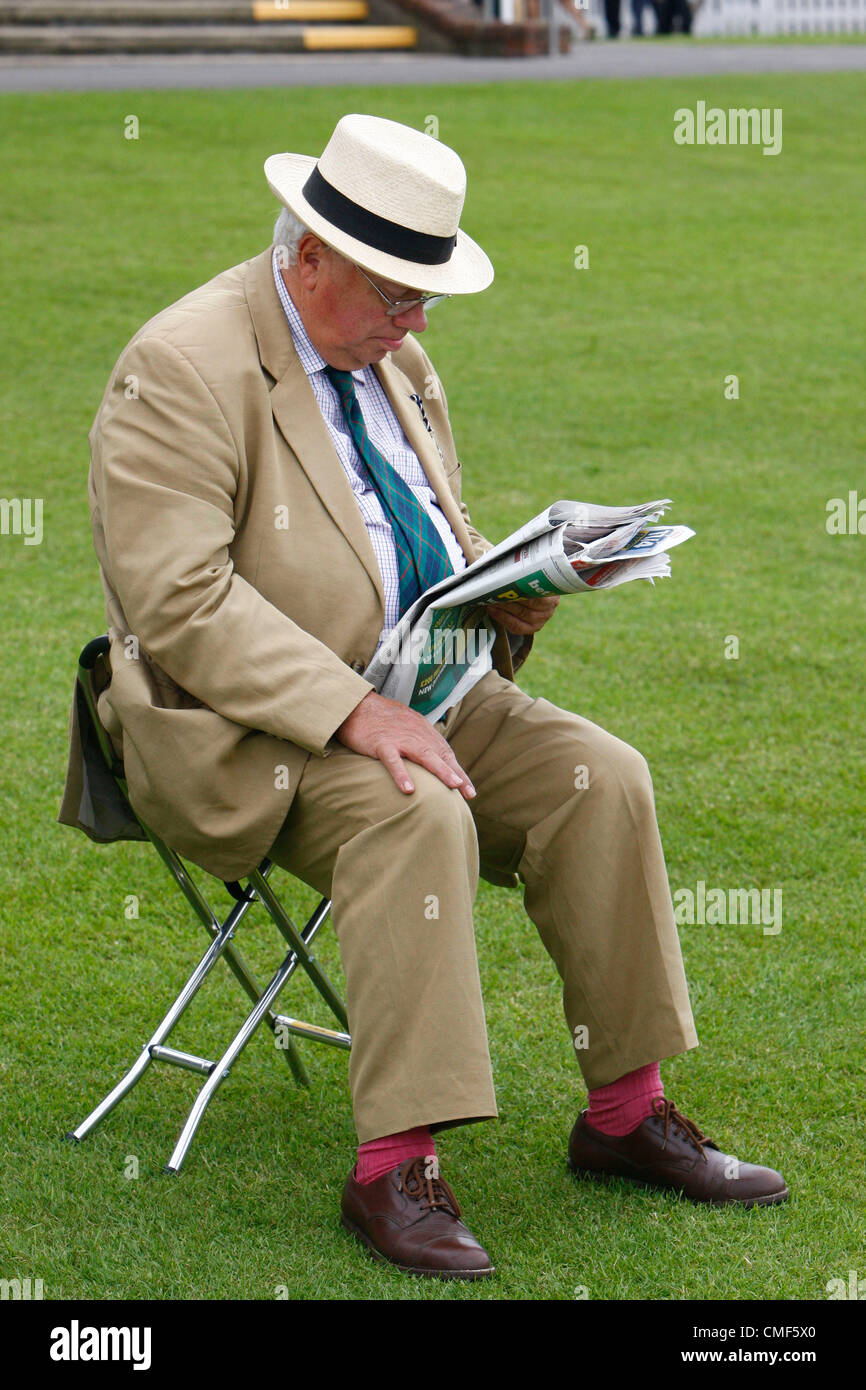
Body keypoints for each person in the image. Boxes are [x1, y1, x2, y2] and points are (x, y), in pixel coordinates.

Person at [59, 114, 788, 1280]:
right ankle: (393, 1166)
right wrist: (354, 713)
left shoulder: (391, 354)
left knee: (602, 778)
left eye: (424, 298)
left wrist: (511, 597)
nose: (417, 324)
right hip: (240, 734)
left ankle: (623, 1116)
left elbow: (418, 542)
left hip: (419, 686)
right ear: (309, 258)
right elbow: (179, 605)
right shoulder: (178, 367)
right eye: (399, 295)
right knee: (414, 809)